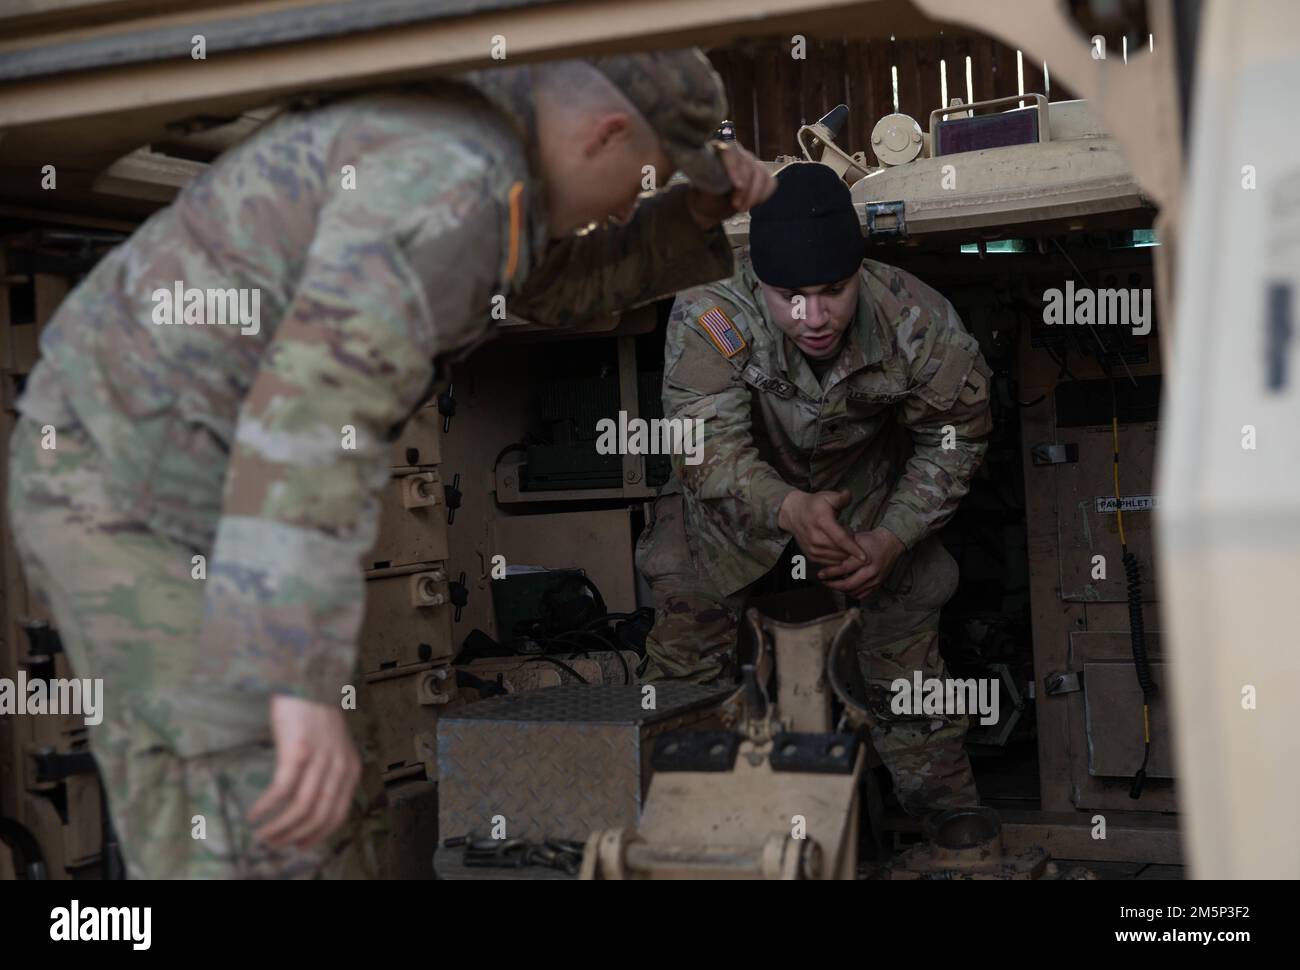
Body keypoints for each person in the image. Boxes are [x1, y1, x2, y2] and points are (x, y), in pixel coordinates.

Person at [6, 49, 775, 877]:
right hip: (133, 481)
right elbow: (307, 420)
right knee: (247, 805)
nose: (632, 200)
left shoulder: (495, 164)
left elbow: (560, 288)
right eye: (644, 180)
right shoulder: (445, 181)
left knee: (332, 802)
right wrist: (289, 676)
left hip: (233, 478)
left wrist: (691, 215)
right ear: (607, 131)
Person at [635, 161, 992, 816]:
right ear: (758, 280)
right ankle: (668, 836)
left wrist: (895, 535)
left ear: (860, 272)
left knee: (910, 680)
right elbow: (703, 449)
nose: (815, 315)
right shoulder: (711, 312)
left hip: (871, 509)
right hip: (724, 516)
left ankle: (948, 831)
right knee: (681, 679)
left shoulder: (916, 320)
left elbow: (956, 438)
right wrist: (788, 508)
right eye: (791, 295)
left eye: (834, 289)